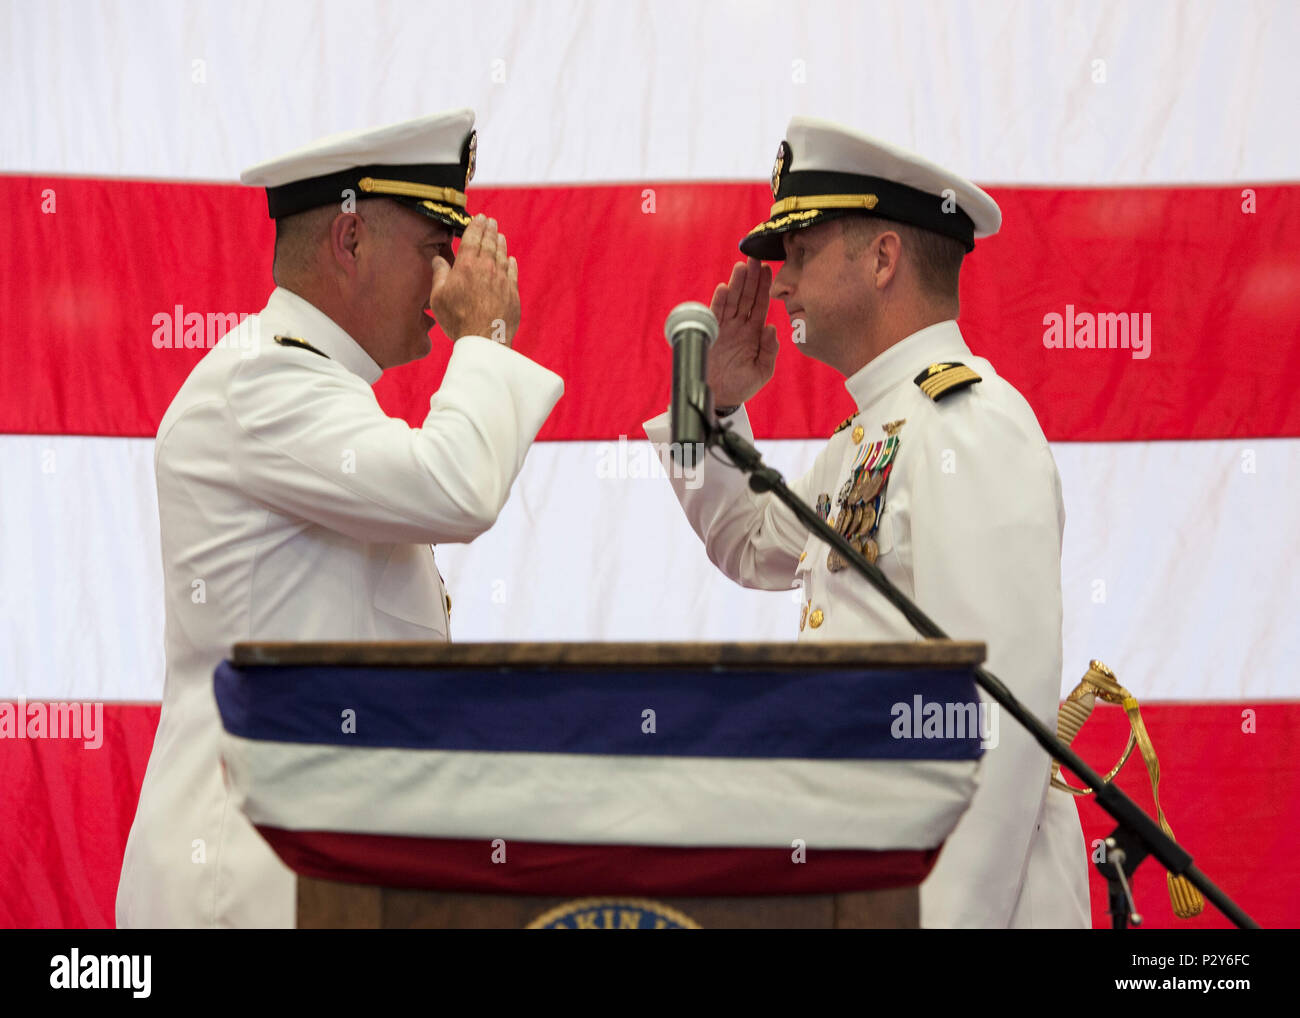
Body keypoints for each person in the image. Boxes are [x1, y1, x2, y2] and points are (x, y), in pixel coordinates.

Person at [116, 109, 564, 928]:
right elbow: (457, 486)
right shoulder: (263, 384)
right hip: (246, 886)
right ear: (350, 240)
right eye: (436, 250)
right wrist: (487, 341)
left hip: (310, 872)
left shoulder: (319, 391)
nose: (446, 283)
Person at [643, 116, 1090, 928]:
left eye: (802, 252)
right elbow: (748, 542)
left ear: (883, 260)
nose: (780, 285)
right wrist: (705, 408)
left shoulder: (967, 423)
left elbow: (999, 722)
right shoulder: (871, 435)